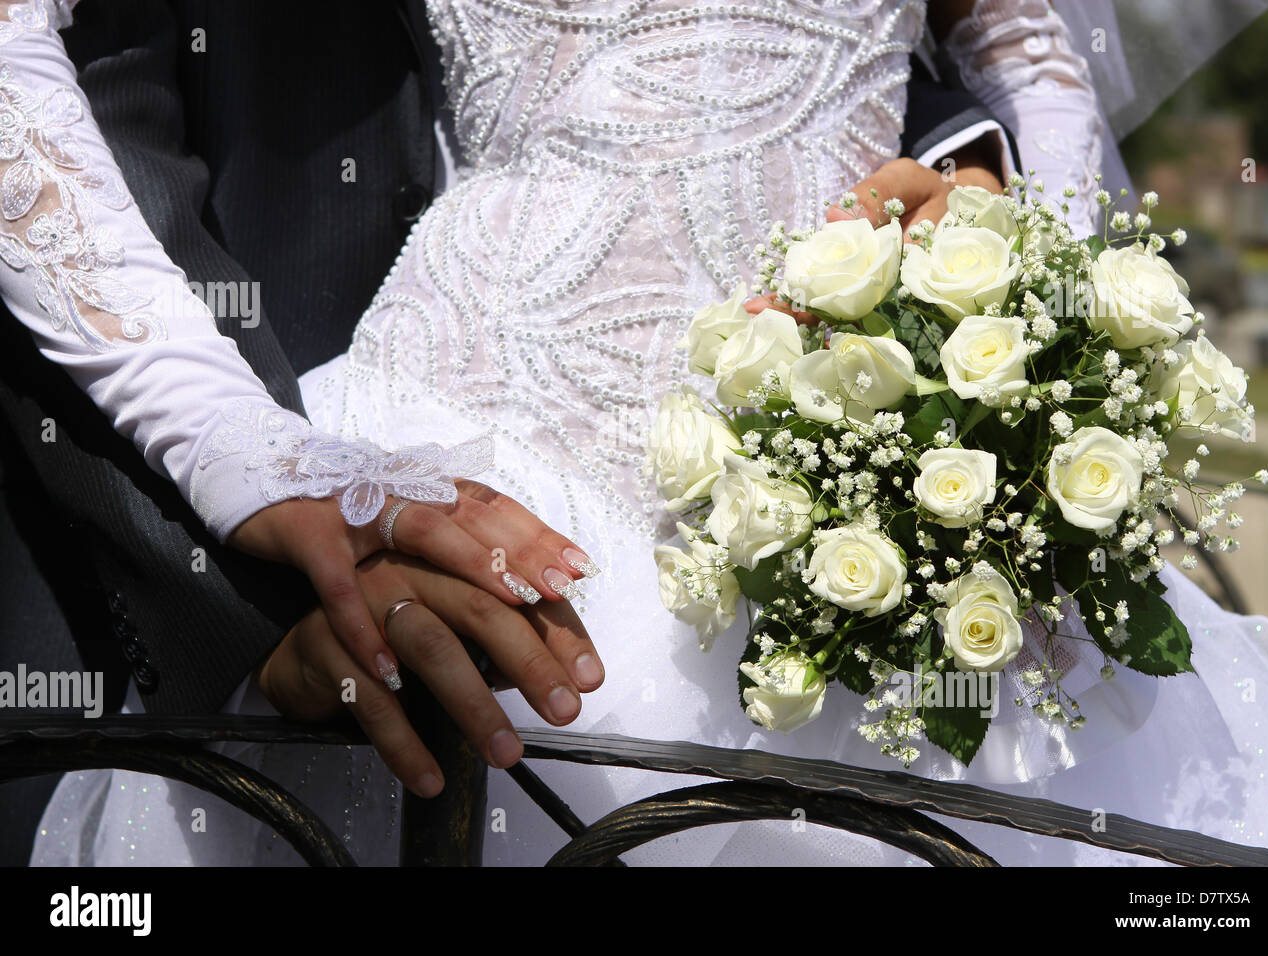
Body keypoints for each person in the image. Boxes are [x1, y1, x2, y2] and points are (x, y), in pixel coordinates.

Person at [1, 0, 1024, 863]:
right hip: (473, 454)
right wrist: (249, 460)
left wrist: (978, 182)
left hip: (887, 462)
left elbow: (979, 47)